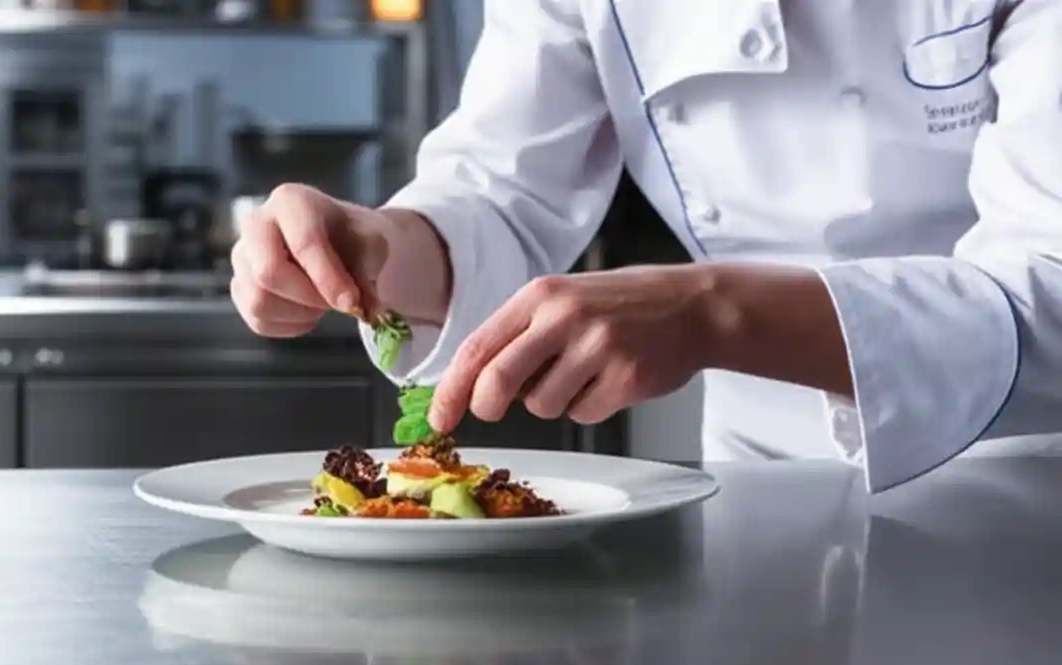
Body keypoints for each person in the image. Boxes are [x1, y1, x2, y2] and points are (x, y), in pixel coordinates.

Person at [230, 0, 1062, 491]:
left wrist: (714, 312)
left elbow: (1050, 289)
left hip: (1026, 470)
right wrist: (378, 248)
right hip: (762, 476)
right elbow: (502, 196)